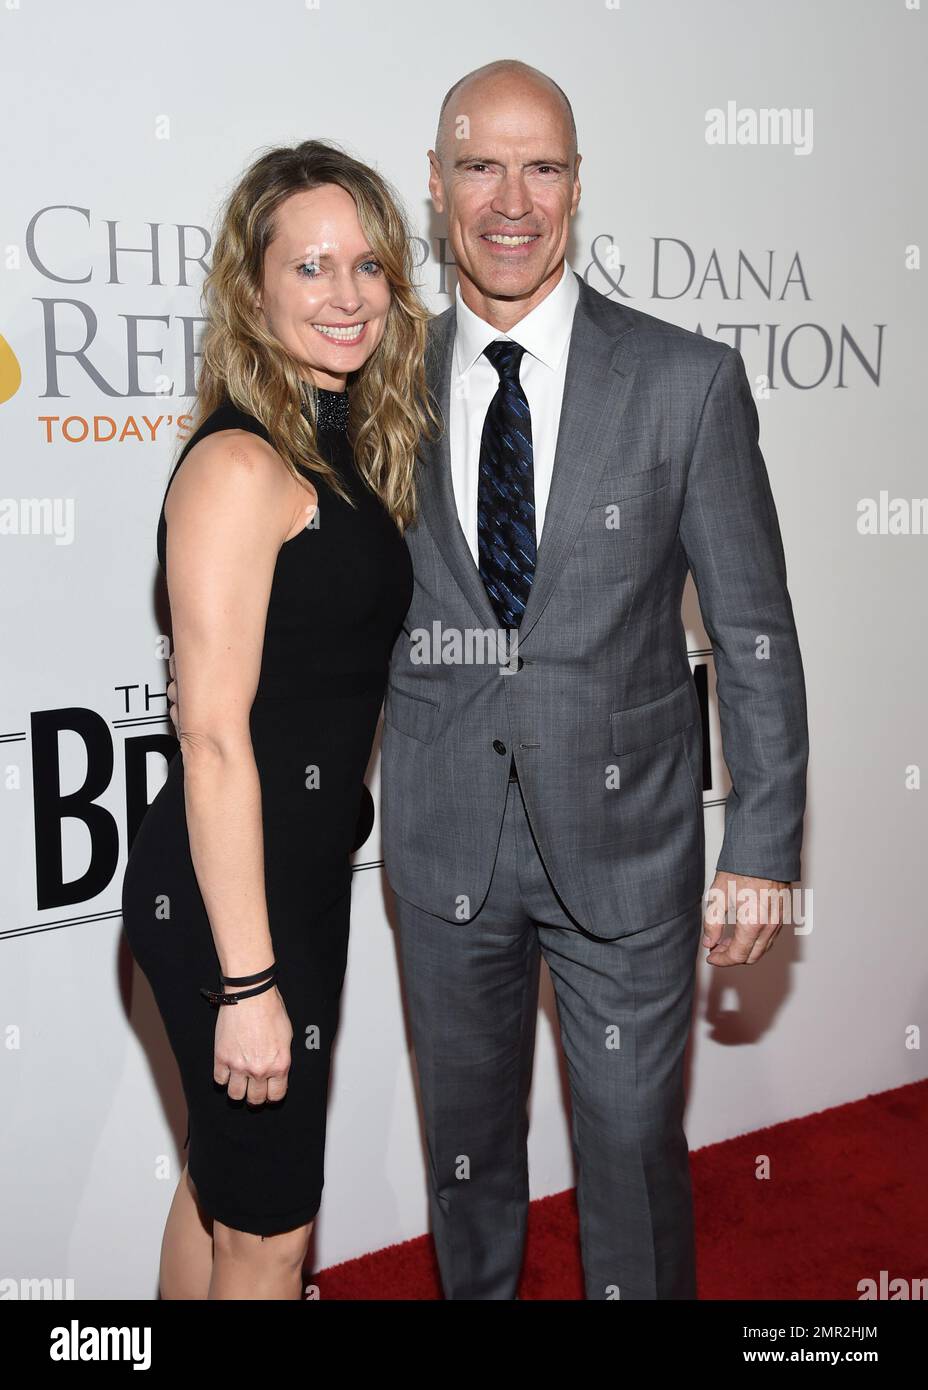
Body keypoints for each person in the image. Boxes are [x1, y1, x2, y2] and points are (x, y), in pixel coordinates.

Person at [377, 60, 808, 1299]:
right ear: (436, 186)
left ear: (577, 186)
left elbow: (756, 628)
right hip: (445, 839)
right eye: (479, 165)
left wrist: (766, 840)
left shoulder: (684, 381)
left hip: (628, 840)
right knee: (466, 1166)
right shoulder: (381, 384)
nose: (511, 199)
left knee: (627, 1152)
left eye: (542, 167)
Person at [122, 139, 438, 1300]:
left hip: (291, 875)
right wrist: (249, 985)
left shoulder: (343, 443)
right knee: (273, 1237)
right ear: (252, 289)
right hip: (224, 902)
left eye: (366, 265)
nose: (346, 295)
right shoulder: (241, 468)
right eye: (310, 268)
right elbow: (208, 737)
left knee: (225, 1190)